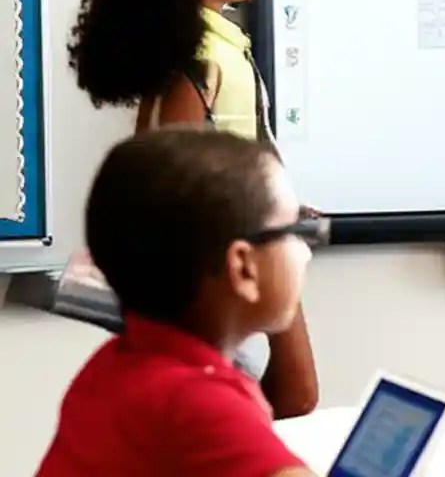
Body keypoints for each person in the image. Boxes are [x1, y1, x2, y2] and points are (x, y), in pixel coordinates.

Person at [64, 0, 319, 417]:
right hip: (218, 273)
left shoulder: (198, 49)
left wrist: (283, 205)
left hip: (237, 251)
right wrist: (266, 218)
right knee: (287, 395)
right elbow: (169, 178)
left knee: (289, 395)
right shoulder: (207, 58)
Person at [36, 128, 324, 476]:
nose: (305, 251)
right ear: (243, 267)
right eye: (295, 231)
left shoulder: (114, 365)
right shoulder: (200, 403)